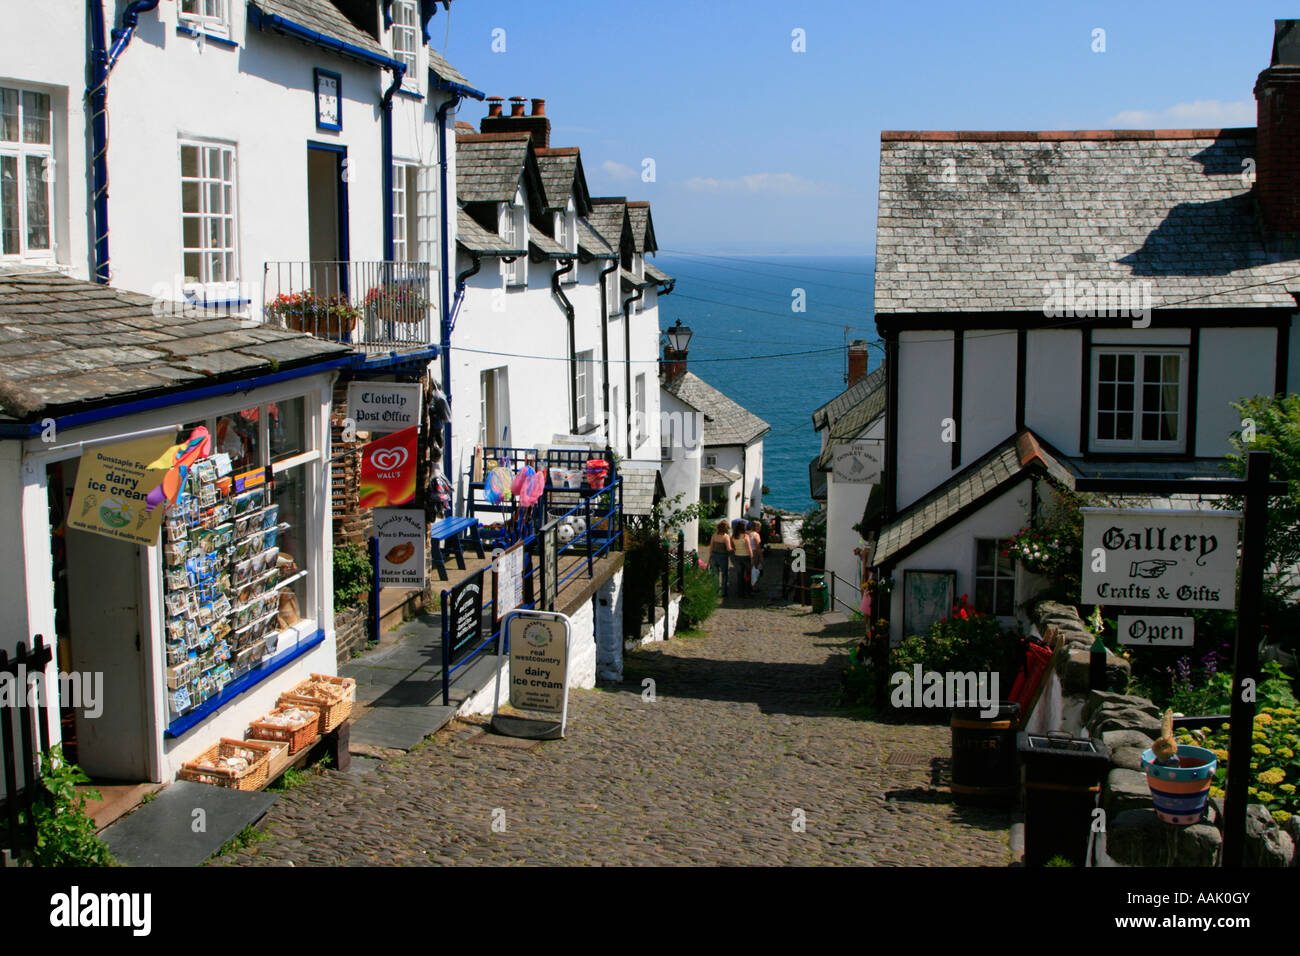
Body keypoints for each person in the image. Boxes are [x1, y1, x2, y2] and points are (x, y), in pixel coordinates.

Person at [707, 521, 733, 597]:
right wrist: (733, 549)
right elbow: (728, 548)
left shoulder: (714, 535)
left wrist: (710, 556)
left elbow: (711, 547)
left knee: (715, 574)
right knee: (724, 574)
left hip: (714, 556)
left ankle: (715, 590)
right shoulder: (726, 536)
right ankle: (724, 591)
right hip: (723, 556)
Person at [732, 518, 752, 596]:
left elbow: (732, 546)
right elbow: (749, 548)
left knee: (740, 575)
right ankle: (747, 591)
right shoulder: (745, 536)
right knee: (748, 574)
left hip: (737, 556)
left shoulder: (734, 536)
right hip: (746, 556)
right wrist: (752, 558)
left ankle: (740, 592)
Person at [748, 520, 764, 591]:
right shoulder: (756, 535)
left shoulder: (748, 533)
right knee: (754, 569)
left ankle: (748, 583)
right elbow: (758, 547)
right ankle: (753, 586)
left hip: (747, 552)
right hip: (754, 552)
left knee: (748, 569)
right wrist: (760, 556)